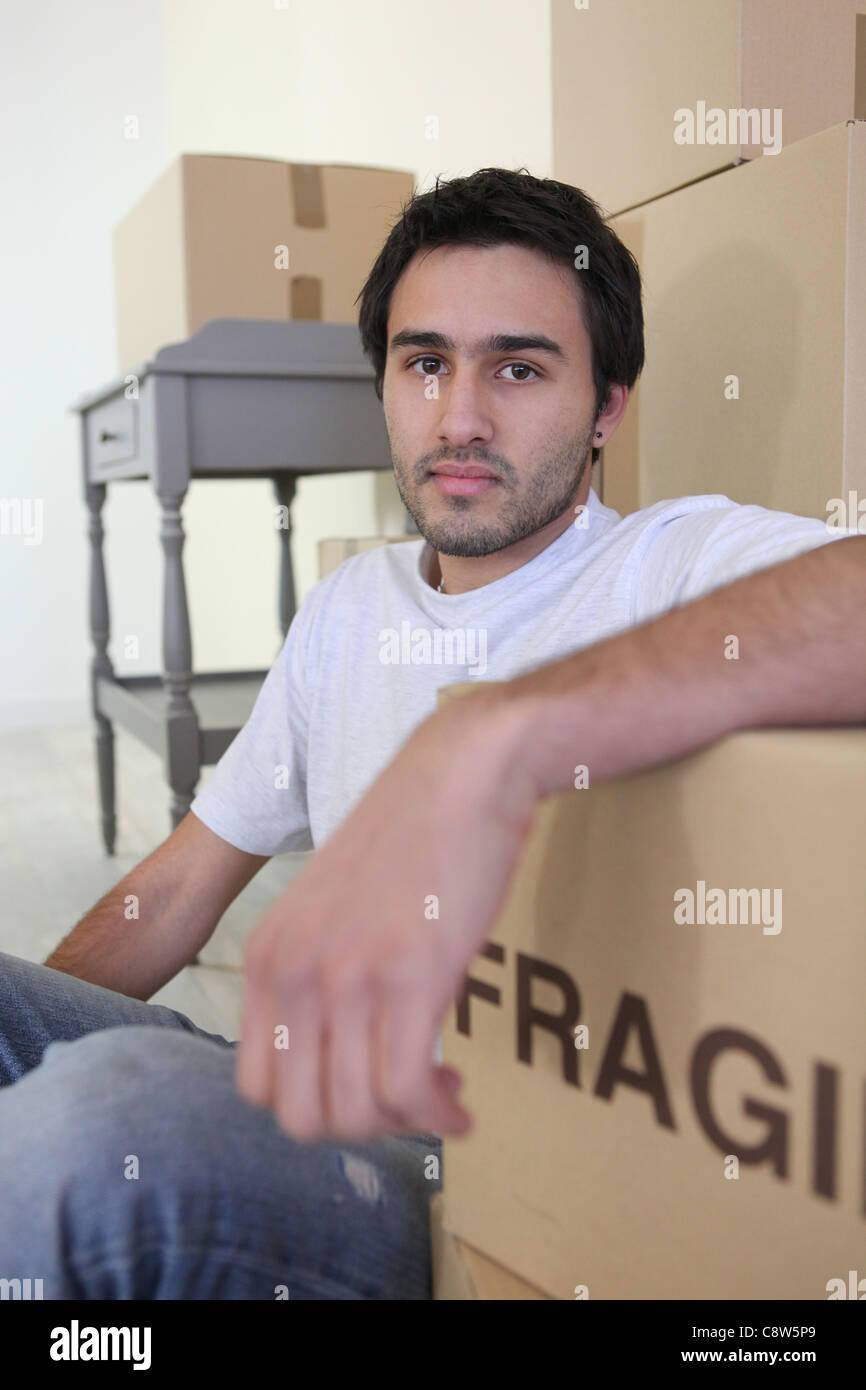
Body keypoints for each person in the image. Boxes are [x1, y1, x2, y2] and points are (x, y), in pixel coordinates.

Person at [1, 168, 863, 1300]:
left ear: (606, 405)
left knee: (97, 1120)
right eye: (424, 364)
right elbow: (171, 893)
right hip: (305, 1095)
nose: (459, 417)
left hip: (468, 1178)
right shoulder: (350, 606)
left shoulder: (669, 565)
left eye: (517, 366)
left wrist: (496, 730)